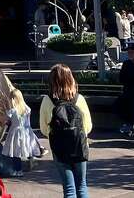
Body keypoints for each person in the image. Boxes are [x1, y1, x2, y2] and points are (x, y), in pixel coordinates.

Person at [39, 65, 91, 198]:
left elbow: (44, 129)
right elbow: (88, 127)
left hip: (59, 149)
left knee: (69, 188)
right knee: (82, 185)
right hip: (79, 147)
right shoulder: (79, 99)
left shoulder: (47, 100)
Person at [1, 87, 39, 177]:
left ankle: (17, 170)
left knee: (15, 152)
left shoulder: (12, 111)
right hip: (25, 131)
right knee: (25, 148)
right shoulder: (27, 109)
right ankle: (30, 161)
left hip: (15, 132)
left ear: (13, 99)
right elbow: (28, 122)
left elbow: (6, 120)